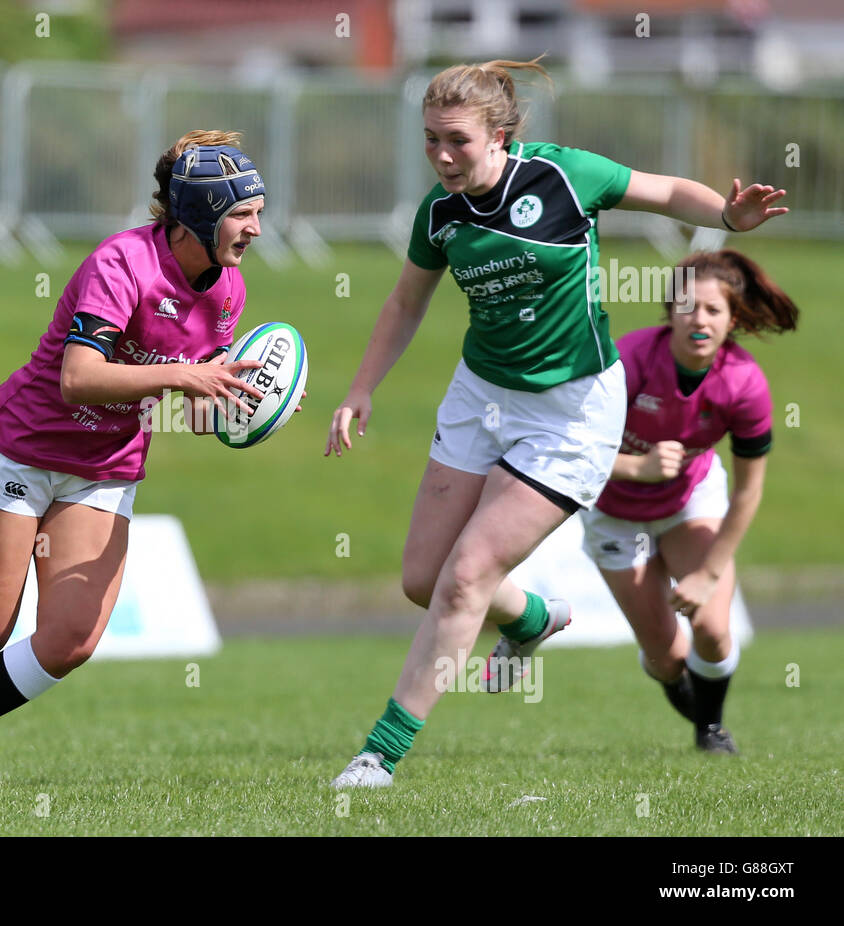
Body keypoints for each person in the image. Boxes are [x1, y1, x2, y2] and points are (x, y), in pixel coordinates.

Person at [324, 57, 788, 788]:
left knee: (465, 579)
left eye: (457, 140)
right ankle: (531, 617)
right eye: (430, 139)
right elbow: (406, 301)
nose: (442, 156)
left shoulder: (564, 175)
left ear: (499, 136)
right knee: (423, 579)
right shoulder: (439, 215)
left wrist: (728, 218)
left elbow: (664, 191)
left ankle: (378, 755)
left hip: (572, 411)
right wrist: (360, 388)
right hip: (480, 395)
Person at [0, 130, 273, 801]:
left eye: (258, 212)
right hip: (21, 447)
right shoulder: (122, 263)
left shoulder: (228, 291)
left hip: (105, 466)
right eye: (243, 214)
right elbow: (78, 378)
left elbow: (199, 407)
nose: (256, 228)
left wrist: (251, 403)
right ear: (200, 214)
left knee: (70, 640)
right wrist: (187, 375)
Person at [582, 250, 797, 754]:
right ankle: (700, 714)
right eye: (687, 307)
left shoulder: (744, 383)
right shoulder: (627, 362)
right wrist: (637, 467)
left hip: (688, 501)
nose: (699, 319)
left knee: (714, 631)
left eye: (713, 310)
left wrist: (707, 573)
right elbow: (569, 454)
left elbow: (748, 490)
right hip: (613, 512)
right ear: (670, 313)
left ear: (733, 320)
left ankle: (711, 732)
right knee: (666, 658)